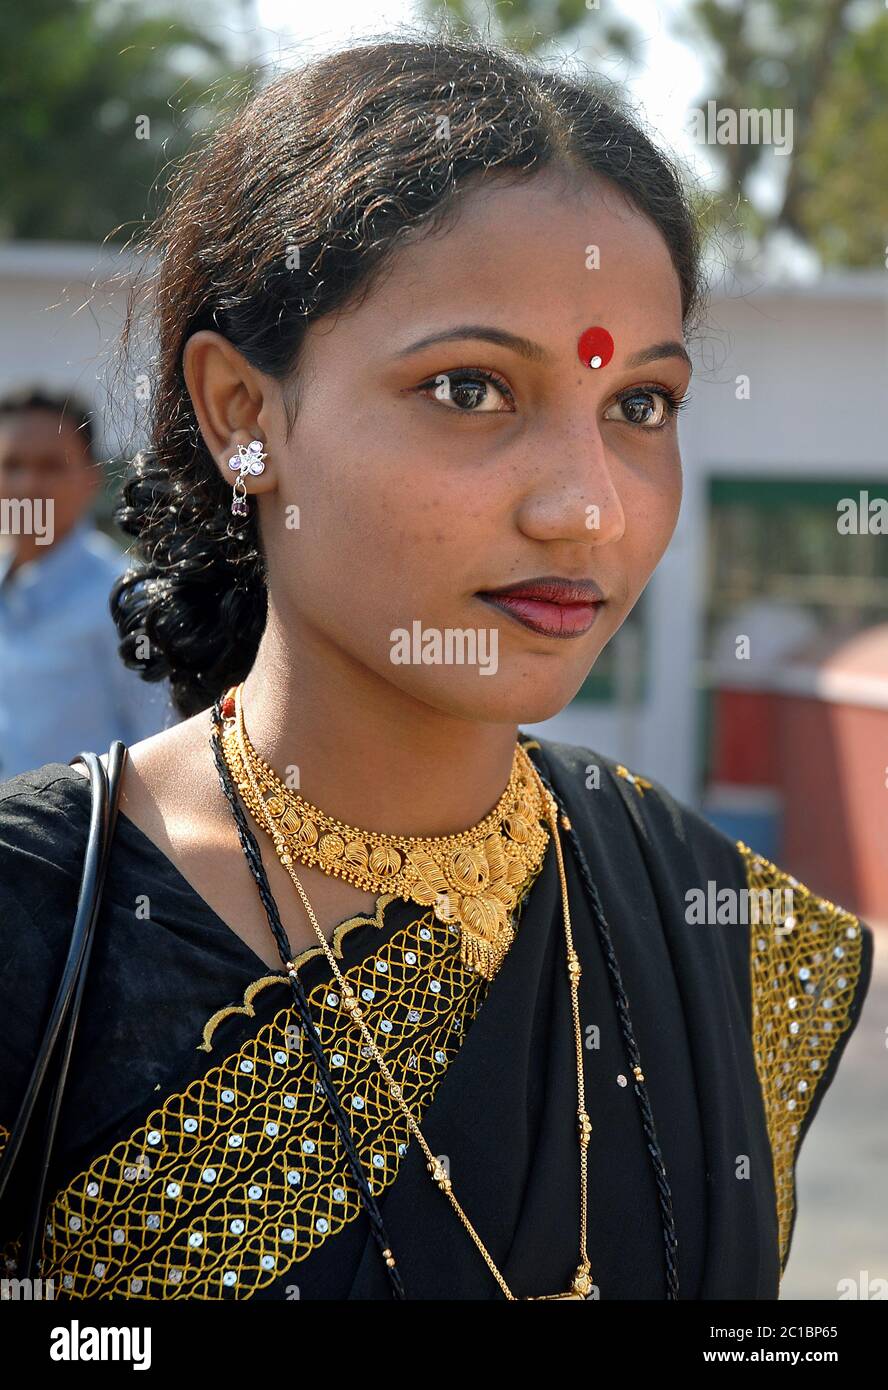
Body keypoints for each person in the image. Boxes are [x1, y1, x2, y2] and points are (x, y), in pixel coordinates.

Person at [0, 35, 873, 1301]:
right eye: (471, 388)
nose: (587, 510)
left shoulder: (719, 923)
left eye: (640, 405)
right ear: (245, 416)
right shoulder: (44, 919)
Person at [0, 387, 173, 780]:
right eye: (12, 465)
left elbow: (162, 753)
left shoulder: (130, 601)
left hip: (89, 837)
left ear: (91, 479)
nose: (28, 486)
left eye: (50, 466)